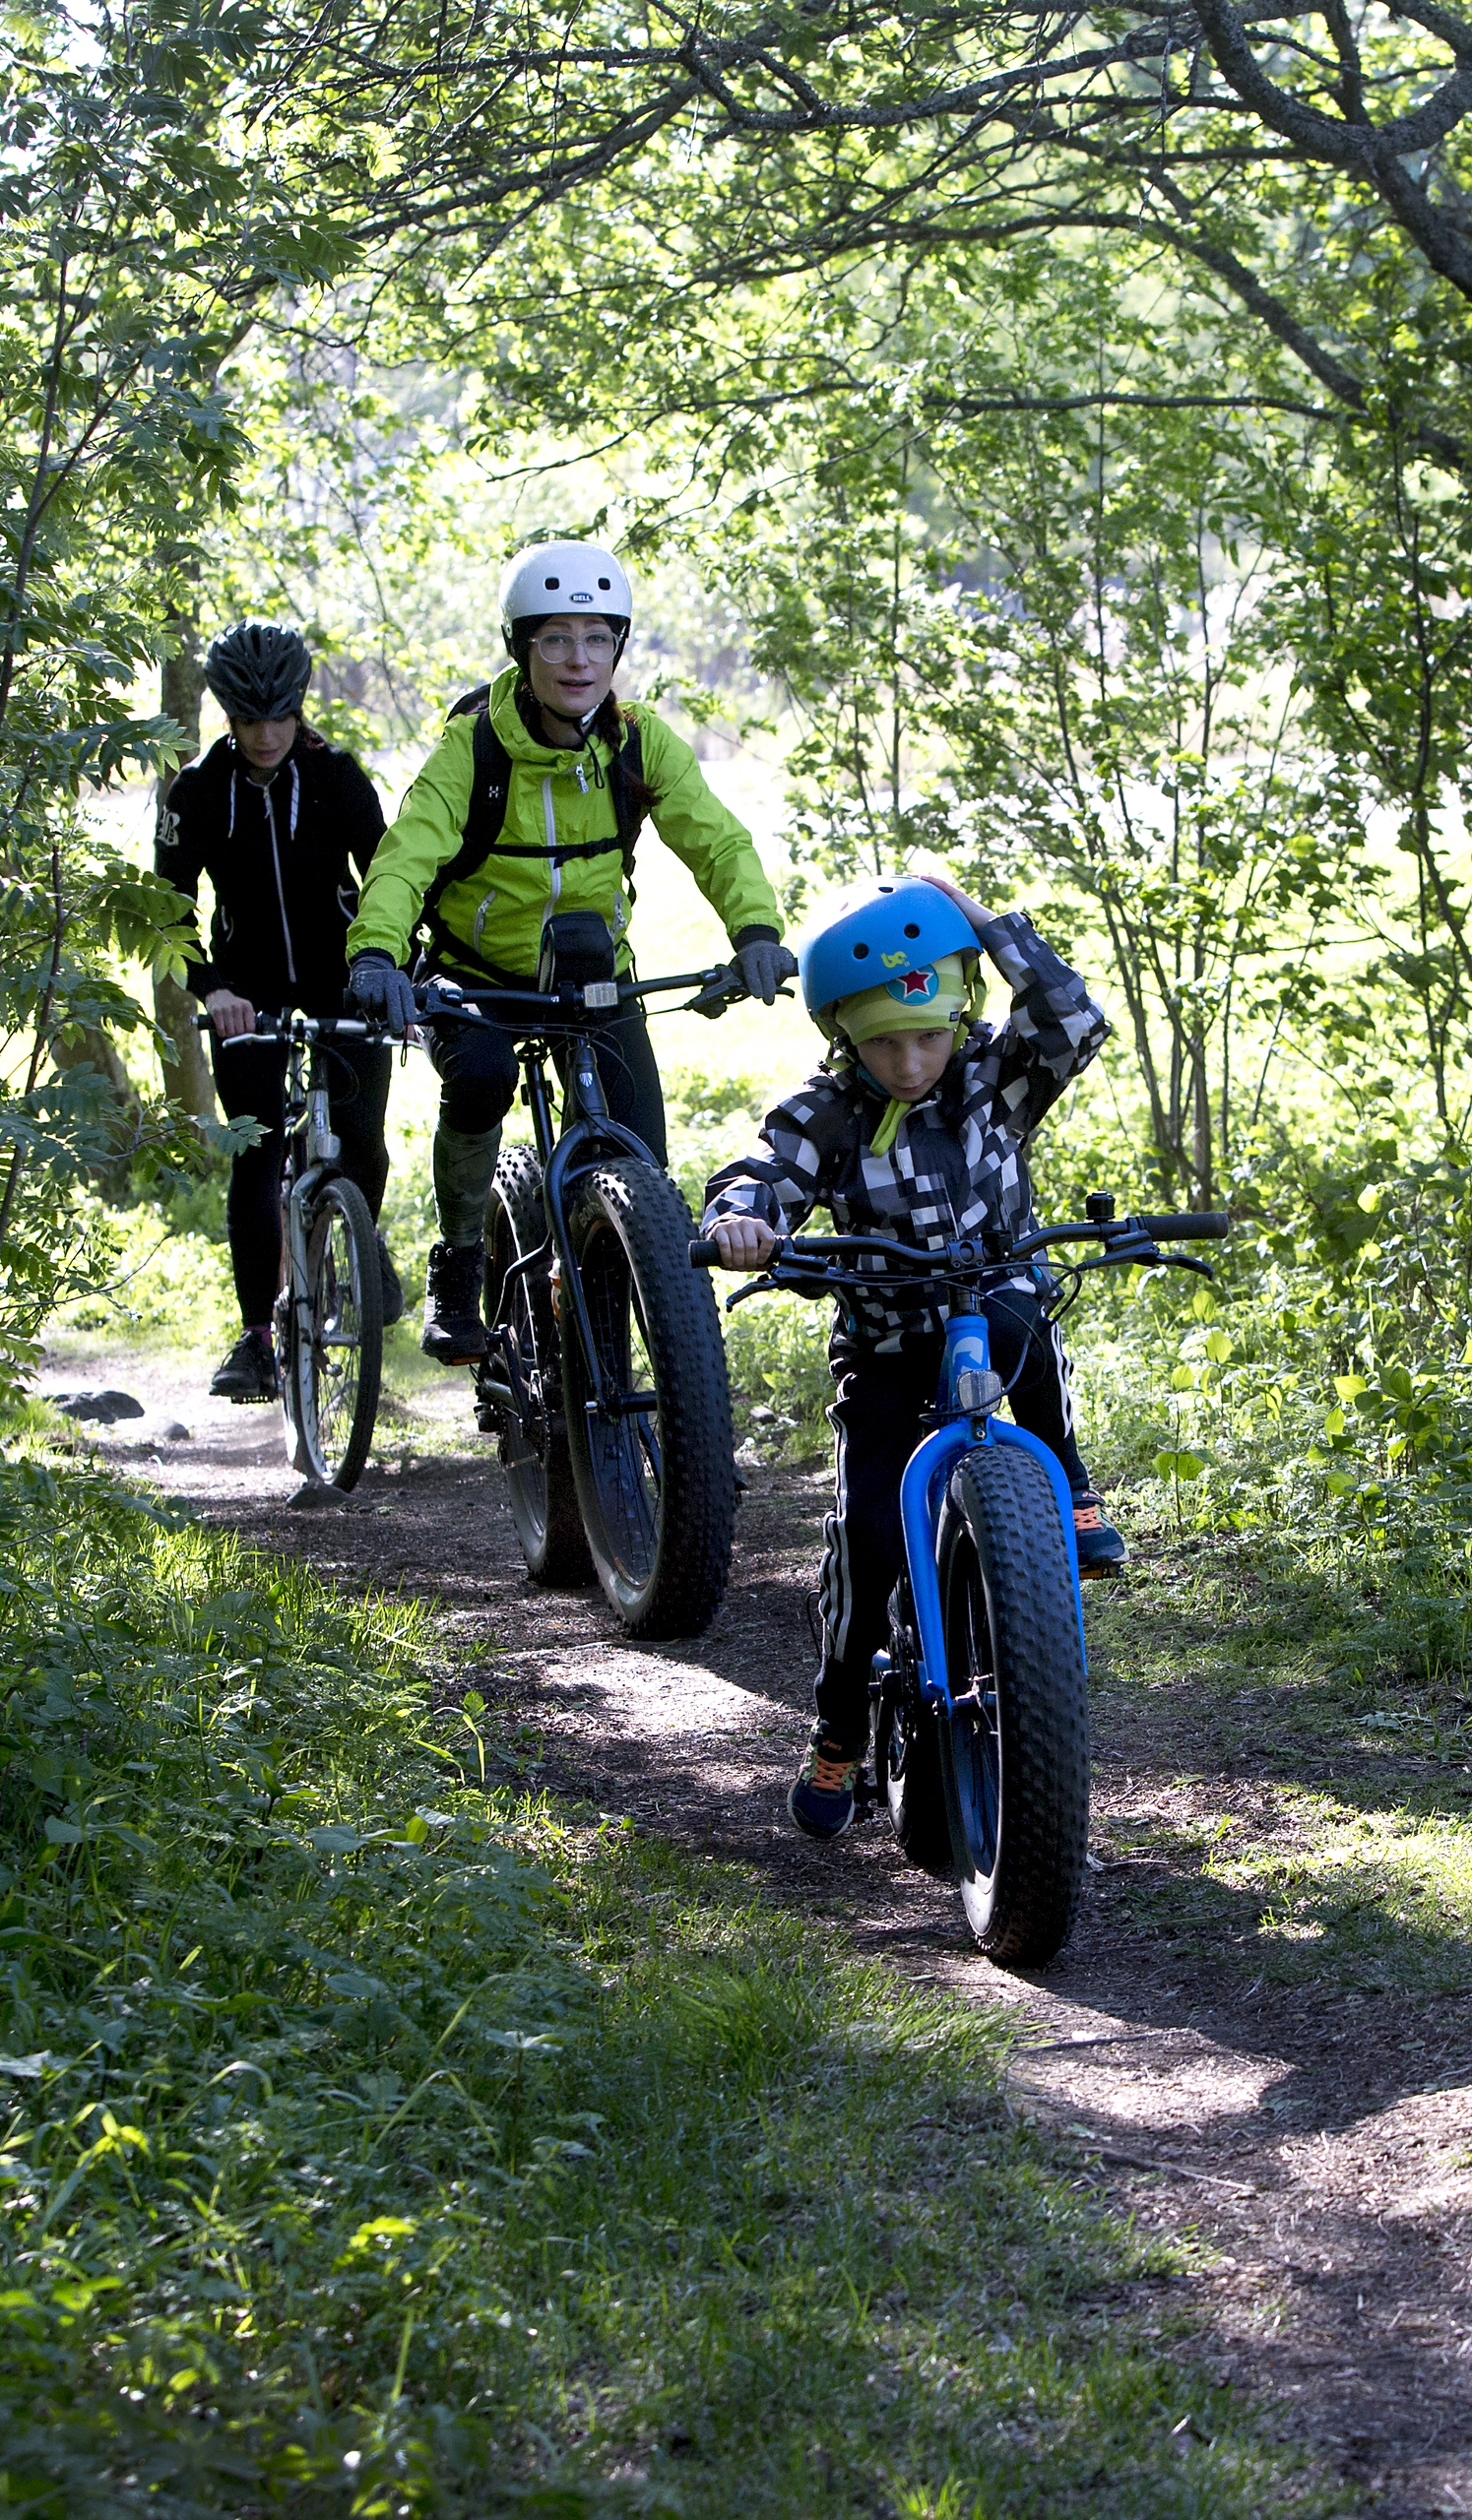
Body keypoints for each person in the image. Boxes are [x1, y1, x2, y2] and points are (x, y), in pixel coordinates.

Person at [693, 869, 1127, 1842]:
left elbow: (1073, 1014)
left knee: (1026, 1314)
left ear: (962, 1009)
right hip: (887, 1350)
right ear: (845, 1032)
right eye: (884, 1039)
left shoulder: (992, 1077)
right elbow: (762, 1175)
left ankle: (1075, 1487)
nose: (911, 1059)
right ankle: (839, 1727)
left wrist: (976, 917)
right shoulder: (831, 1112)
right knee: (871, 1539)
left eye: (928, 1033)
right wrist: (741, 1223)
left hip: (991, 1308)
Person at [342, 540, 798, 1360]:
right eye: (555, 638)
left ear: (618, 647)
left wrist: (755, 932)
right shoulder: (472, 750)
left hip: (593, 980)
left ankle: (671, 1399)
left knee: (646, 1174)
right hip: (475, 979)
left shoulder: (638, 743)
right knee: (478, 1082)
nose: (577, 659)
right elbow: (405, 856)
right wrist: (376, 954)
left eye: (596, 638)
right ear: (523, 648)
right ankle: (458, 1264)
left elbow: (717, 841)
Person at [158, 621, 391, 1404]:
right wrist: (210, 987)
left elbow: (394, 880)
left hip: (343, 986)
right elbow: (165, 908)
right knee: (257, 1156)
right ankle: (257, 1335)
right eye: (249, 719)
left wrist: (394, 977)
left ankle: (358, 1250)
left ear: (299, 709)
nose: (265, 735)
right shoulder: (196, 791)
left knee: (363, 1140)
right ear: (227, 714)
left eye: (279, 717)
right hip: (243, 998)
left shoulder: (338, 778)